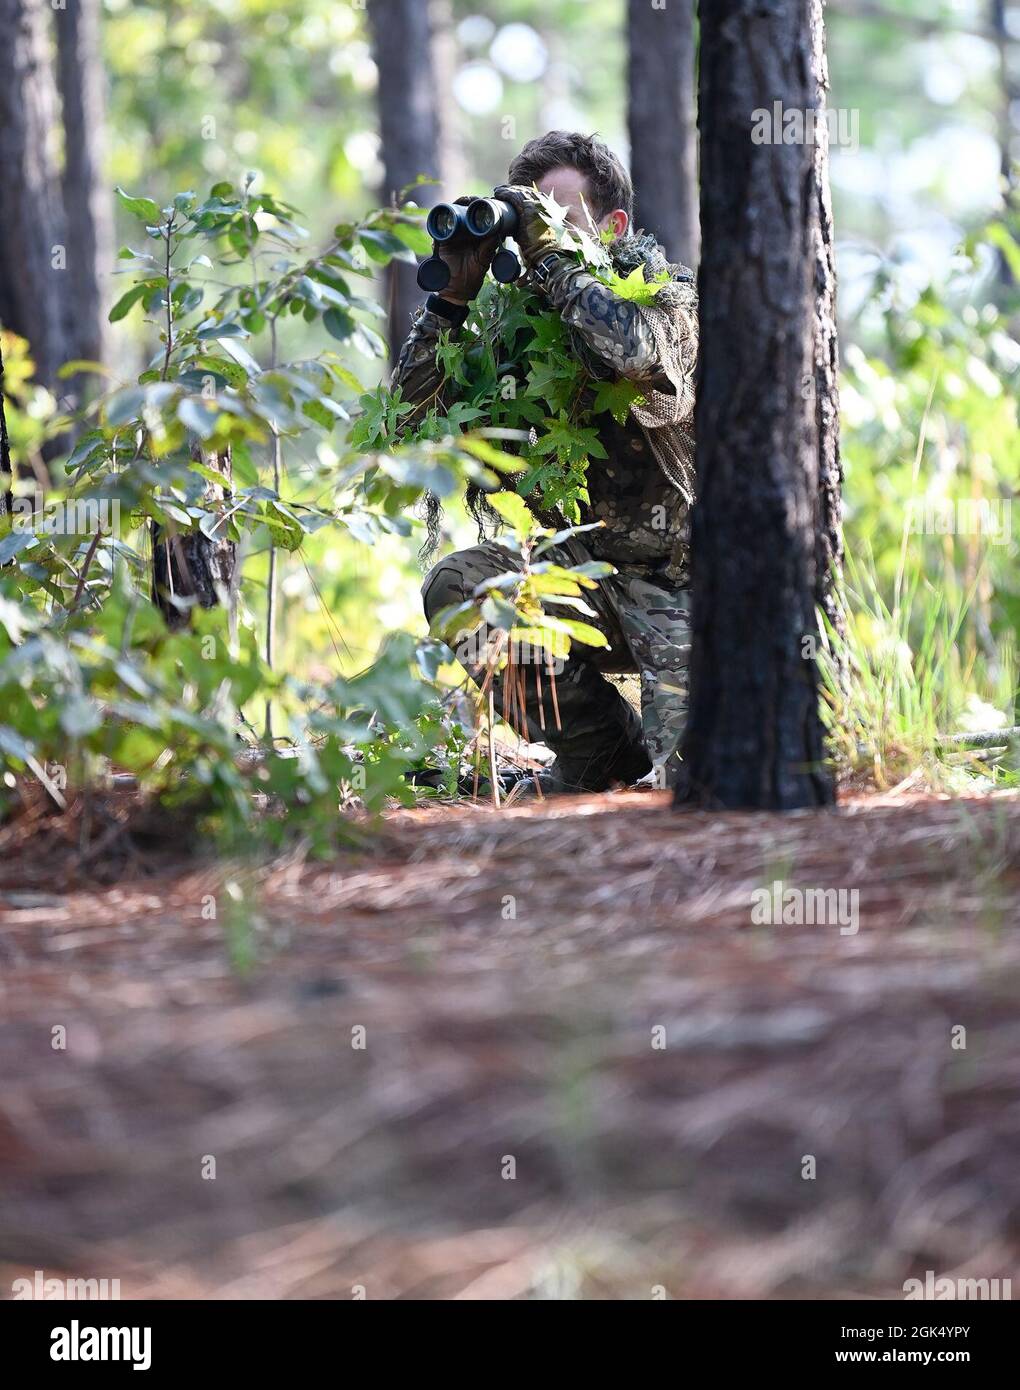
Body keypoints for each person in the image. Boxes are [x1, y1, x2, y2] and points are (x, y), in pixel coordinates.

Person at [392, 131, 699, 792]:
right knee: (460, 587)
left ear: (613, 227)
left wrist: (553, 256)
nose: (538, 240)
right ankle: (599, 754)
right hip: (581, 582)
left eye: (558, 219)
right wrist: (451, 302)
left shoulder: (666, 301)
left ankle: (654, 758)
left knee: (693, 785)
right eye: (529, 222)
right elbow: (408, 427)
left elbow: (635, 356)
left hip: (687, 588)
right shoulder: (513, 334)